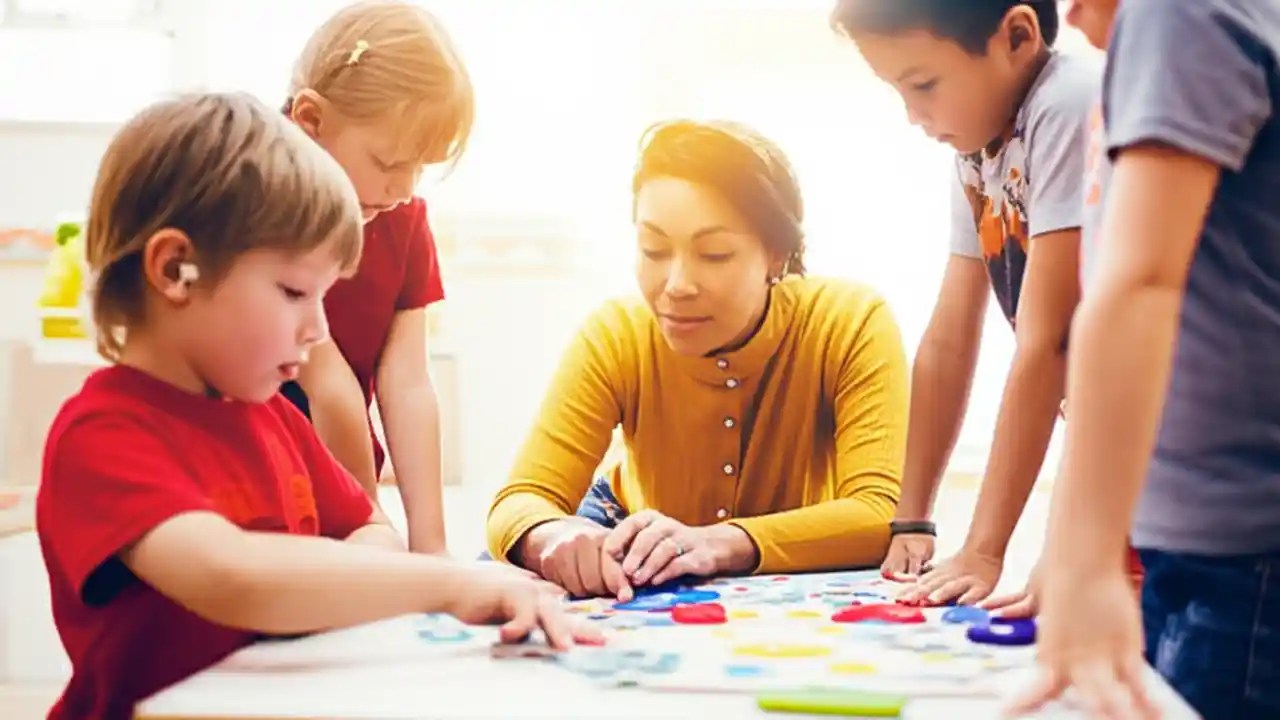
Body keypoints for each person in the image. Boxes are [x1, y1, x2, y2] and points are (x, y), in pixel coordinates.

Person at [35, 93, 585, 720]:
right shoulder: (101, 436)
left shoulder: (275, 418)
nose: (319, 329)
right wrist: (452, 583)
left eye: (324, 296)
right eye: (295, 291)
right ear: (175, 268)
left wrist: (333, 580)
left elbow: (370, 528)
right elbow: (233, 577)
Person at [486, 120, 910, 601]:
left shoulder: (849, 322)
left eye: (713, 253)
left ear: (776, 255)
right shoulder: (617, 332)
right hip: (623, 531)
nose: (676, 284)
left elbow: (879, 512)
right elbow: (518, 500)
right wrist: (549, 536)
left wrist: (718, 544)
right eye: (654, 249)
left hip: (793, 553)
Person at [1008, 1, 1280, 719]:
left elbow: (1141, 284)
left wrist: (1087, 559)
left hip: (1240, 552)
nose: (1070, 15)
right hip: (1206, 542)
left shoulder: (1178, 13)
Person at [830, 0, 1099, 606]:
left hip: (1186, 446)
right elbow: (950, 341)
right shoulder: (979, 151)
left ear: (1017, 36)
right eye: (897, 91)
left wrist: (985, 548)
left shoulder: (1070, 103)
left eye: (923, 85)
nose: (912, 116)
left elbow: (1048, 343)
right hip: (1116, 445)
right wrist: (912, 514)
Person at [279, 0, 474, 554]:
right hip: (257, 468)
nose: (406, 187)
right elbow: (329, 384)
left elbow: (408, 383)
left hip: (340, 467)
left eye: (420, 167)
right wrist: (368, 522)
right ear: (310, 123)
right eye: (390, 164)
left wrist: (431, 547)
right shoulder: (260, 204)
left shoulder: (402, 216)